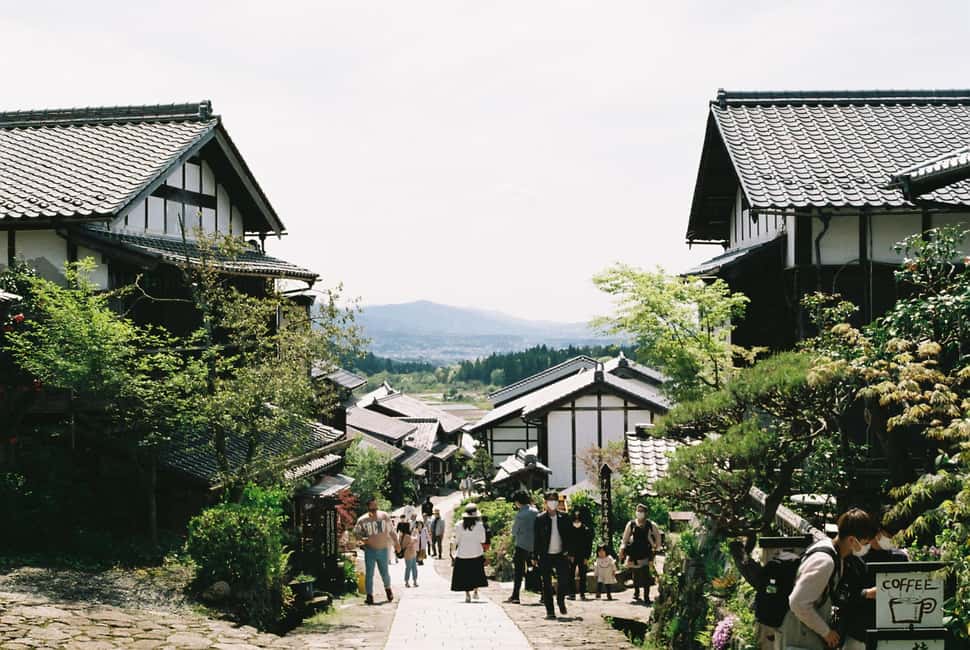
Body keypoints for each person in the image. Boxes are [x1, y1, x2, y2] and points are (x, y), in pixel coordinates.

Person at [783, 508, 878, 650]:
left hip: (807, 634)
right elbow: (798, 603)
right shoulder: (825, 561)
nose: (867, 547)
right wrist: (826, 633)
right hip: (801, 637)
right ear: (852, 540)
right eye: (865, 543)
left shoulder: (833, 552)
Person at [837, 522, 909, 650]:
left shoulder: (900, 558)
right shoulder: (856, 556)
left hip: (890, 628)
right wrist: (867, 593)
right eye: (889, 535)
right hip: (858, 630)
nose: (892, 539)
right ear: (877, 533)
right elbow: (841, 593)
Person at [534, 490, 574, 620]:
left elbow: (570, 536)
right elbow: (536, 539)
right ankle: (550, 610)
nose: (552, 502)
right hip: (545, 554)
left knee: (563, 580)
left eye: (554, 500)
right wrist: (534, 556)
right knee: (546, 583)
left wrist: (570, 552)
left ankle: (560, 599)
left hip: (560, 554)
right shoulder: (540, 519)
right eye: (549, 500)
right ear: (545, 503)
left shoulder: (565, 517)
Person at [352, 497, 395, 605]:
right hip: (370, 550)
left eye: (375, 505)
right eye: (372, 505)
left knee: (385, 573)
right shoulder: (362, 520)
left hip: (383, 549)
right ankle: (369, 595)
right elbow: (356, 533)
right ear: (368, 507)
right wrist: (363, 539)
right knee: (369, 574)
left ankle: (388, 590)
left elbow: (391, 530)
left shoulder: (384, 516)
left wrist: (397, 543)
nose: (374, 507)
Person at [619, 503, 661, 604]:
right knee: (636, 574)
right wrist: (622, 549)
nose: (639, 513)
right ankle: (636, 591)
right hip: (634, 552)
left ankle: (646, 596)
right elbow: (625, 538)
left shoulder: (651, 524)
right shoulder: (631, 524)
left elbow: (657, 536)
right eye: (638, 510)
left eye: (642, 511)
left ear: (645, 513)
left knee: (646, 575)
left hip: (646, 552)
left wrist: (657, 547)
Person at [451, 503, 488, 602]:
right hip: (476, 552)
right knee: (476, 574)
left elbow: (456, 540)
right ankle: (475, 591)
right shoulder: (479, 526)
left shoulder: (458, 525)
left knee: (465, 575)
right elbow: (483, 540)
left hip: (463, 553)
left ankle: (467, 594)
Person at [506, 491, 537, 604]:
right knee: (539, 569)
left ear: (518, 502)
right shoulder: (536, 512)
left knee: (519, 571)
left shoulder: (520, 514)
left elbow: (514, 531)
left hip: (522, 545)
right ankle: (544, 594)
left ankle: (516, 595)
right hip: (535, 545)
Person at [566, 508, 594, 600]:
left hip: (583, 555)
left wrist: (587, 557)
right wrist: (570, 554)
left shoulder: (586, 529)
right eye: (575, 517)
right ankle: (571, 593)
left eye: (579, 517)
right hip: (572, 555)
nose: (577, 520)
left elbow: (588, 544)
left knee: (582, 575)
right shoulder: (569, 528)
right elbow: (567, 543)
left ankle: (582, 593)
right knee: (571, 574)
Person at [399, 522, 419, 588]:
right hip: (411, 554)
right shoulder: (407, 536)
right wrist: (415, 533)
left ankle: (408, 581)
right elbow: (415, 540)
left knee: (409, 568)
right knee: (413, 568)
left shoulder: (401, 536)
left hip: (408, 554)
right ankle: (413, 581)